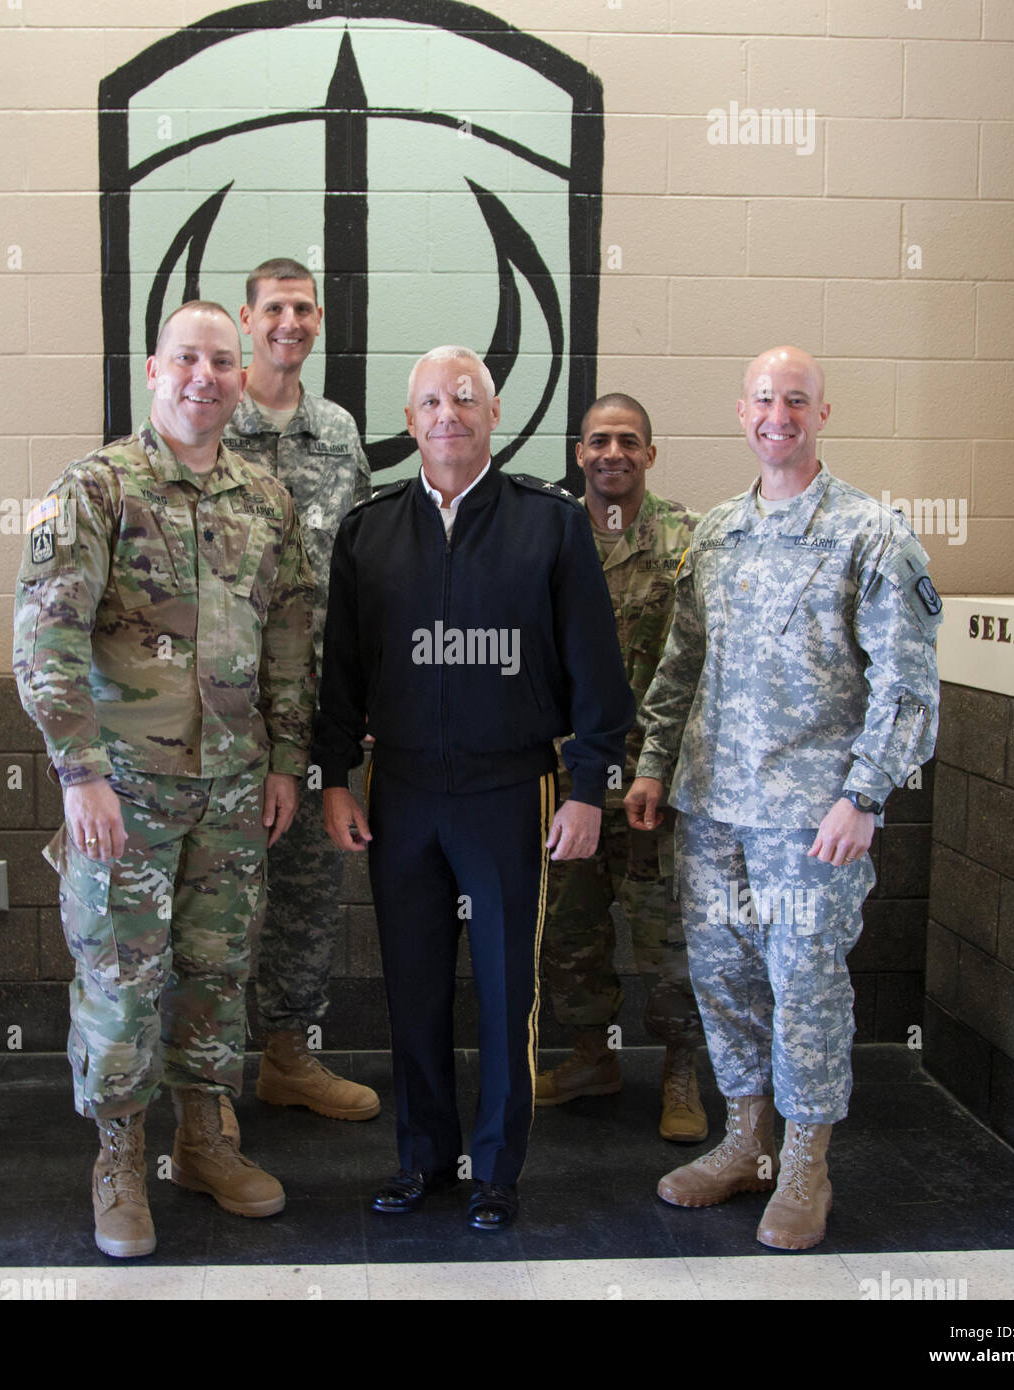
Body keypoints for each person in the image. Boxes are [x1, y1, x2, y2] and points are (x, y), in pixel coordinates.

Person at [14, 300, 315, 1258]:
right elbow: (45, 638)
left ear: (240, 378)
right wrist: (80, 773)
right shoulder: (96, 488)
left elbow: (290, 637)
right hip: (125, 794)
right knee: (120, 978)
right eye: (188, 358)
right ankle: (118, 1158)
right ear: (154, 370)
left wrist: (284, 760)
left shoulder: (265, 501)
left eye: (222, 363)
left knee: (216, 975)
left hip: (232, 790)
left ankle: (201, 1141)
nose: (206, 377)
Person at [625, 346, 941, 1250]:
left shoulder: (872, 535)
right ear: (742, 411)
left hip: (812, 821)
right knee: (723, 982)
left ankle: (806, 1167)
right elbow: (684, 663)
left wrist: (865, 794)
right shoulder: (718, 532)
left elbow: (909, 685)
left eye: (796, 400)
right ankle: (743, 1144)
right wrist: (652, 764)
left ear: (823, 414)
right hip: (714, 809)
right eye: (765, 399)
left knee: (804, 985)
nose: (779, 415)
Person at [315, 347, 634, 1230]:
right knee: (413, 987)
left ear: (495, 414)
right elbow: (338, 673)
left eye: (465, 397)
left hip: (509, 792)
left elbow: (598, 675)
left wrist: (587, 788)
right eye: (430, 402)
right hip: (402, 793)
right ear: (411, 422)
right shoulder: (369, 531)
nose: (447, 412)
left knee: (505, 990)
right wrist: (336, 780)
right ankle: (422, 1160)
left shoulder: (551, 525)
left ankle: (496, 1169)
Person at [221, 258, 378, 1122]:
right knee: (213, 890)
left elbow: (356, 572)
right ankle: (203, 1082)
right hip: (219, 712)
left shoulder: (339, 433)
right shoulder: (208, 418)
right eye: (275, 307)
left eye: (304, 308)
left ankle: (287, 1055)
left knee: (309, 891)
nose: (291, 321)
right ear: (248, 320)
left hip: (317, 708)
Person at [536, 395, 706, 1141]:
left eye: (628, 442)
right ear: (579, 453)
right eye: (599, 441)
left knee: (668, 936)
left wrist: (672, 768)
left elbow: (705, 664)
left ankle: (681, 1071)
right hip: (571, 780)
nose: (613, 453)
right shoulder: (549, 534)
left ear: (650, 454)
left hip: (653, 783)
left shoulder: (687, 541)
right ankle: (589, 1058)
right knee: (571, 933)